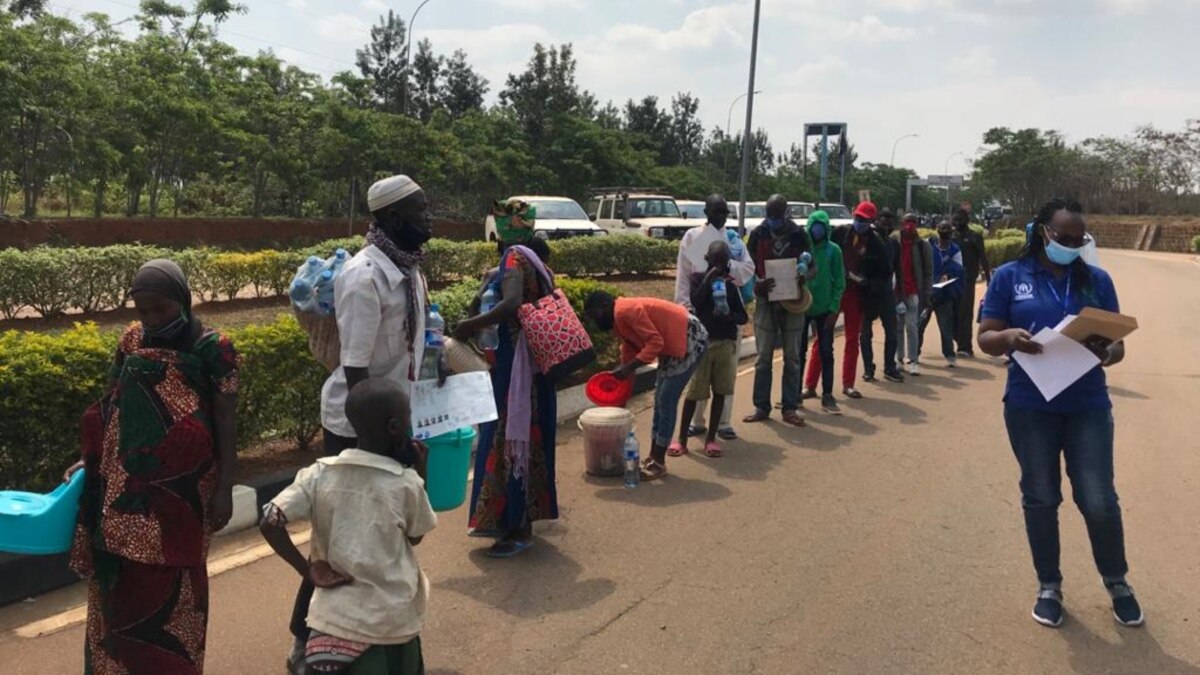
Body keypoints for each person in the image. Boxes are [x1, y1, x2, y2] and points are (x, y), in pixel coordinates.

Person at [66, 259, 239, 675]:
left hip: (183, 492)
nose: (151, 319)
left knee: (175, 582)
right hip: (125, 485)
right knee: (116, 574)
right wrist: (89, 460)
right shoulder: (131, 338)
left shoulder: (215, 347)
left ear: (183, 299)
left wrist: (226, 487)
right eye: (143, 310)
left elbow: (226, 419)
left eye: (160, 309)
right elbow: (114, 402)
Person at [978, 198, 1140, 629]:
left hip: (1087, 404)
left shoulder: (1097, 281)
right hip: (1031, 406)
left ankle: (1117, 582)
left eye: (1077, 239)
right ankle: (1049, 586)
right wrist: (1009, 336)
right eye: (1063, 237)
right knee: (1041, 496)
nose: (1070, 245)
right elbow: (986, 337)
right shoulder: (1011, 278)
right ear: (1042, 232)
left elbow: (1119, 345)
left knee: (1099, 499)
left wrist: (1107, 351)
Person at [299, 175, 437, 664]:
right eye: (420, 212)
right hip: (359, 422)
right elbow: (356, 369)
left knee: (372, 535)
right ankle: (309, 637)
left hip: (391, 419)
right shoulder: (364, 277)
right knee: (341, 539)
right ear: (394, 218)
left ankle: (365, 633)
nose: (429, 219)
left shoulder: (409, 269)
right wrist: (384, 442)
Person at [261, 379, 437, 674]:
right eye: (408, 418)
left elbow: (270, 521)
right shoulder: (405, 483)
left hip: (333, 620)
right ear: (395, 427)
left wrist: (307, 569)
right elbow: (416, 535)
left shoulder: (319, 474)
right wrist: (421, 471)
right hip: (392, 622)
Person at [452, 199, 558, 558]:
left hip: (517, 370)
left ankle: (516, 525)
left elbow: (511, 302)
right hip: (531, 367)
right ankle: (514, 520)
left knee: (511, 439)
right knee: (524, 439)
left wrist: (470, 325)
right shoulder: (534, 261)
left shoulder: (513, 258)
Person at [585, 293, 708, 481]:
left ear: (606, 304)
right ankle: (653, 458)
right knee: (659, 401)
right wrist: (620, 404)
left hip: (689, 337)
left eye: (596, 315)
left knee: (666, 400)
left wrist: (629, 367)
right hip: (673, 342)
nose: (595, 321)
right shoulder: (619, 322)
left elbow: (655, 342)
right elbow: (629, 358)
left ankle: (658, 462)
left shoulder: (624, 311)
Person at [675, 194, 754, 441]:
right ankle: (697, 422)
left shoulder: (734, 242)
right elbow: (683, 276)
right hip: (700, 314)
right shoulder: (691, 237)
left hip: (728, 316)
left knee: (726, 375)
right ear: (706, 212)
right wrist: (685, 308)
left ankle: (724, 422)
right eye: (715, 212)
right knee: (699, 375)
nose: (719, 217)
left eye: (723, 212)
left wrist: (727, 266)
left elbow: (748, 272)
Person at [742, 194, 813, 427]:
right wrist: (756, 283)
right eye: (769, 215)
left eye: (777, 215)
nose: (773, 219)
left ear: (786, 213)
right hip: (765, 301)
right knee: (763, 357)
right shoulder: (758, 235)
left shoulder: (798, 235)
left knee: (792, 357)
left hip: (792, 301)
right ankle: (761, 406)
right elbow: (747, 266)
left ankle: (790, 407)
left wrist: (804, 273)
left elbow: (812, 265)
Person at [803, 201, 880, 401]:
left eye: (864, 219)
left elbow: (883, 272)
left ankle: (848, 385)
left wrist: (865, 281)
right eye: (857, 217)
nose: (859, 222)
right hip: (835, 292)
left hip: (856, 295)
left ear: (871, 221)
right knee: (823, 338)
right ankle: (810, 385)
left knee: (852, 339)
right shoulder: (840, 234)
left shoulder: (875, 243)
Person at [801, 210, 846, 415]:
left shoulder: (833, 250)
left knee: (827, 353)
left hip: (825, 309)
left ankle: (827, 395)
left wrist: (834, 308)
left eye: (821, 226)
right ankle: (793, 395)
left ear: (826, 229)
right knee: (797, 353)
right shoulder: (803, 248)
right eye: (814, 225)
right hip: (802, 307)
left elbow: (840, 281)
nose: (817, 229)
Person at [858, 207, 902, 384]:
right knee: (865, 334)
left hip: (886, 294)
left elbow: (898, 270)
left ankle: (890, 367)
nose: (886, 227)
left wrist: (901, 294)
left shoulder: (894, 245)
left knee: (892, 332)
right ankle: (869, 369)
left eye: (890, 225)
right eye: (883, 223)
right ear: (876, 223)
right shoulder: (867, 241)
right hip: (867, 293)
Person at [892, 213, 934, 376]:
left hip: (913, 291)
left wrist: (928, 293)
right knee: (897, 327)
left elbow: (929, 272)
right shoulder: (895, 243)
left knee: (911, 326)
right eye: (907, 222)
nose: (909, 225)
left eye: (913, 222)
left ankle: (914, 360)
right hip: (896, 291)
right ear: (901, 224)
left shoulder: (923, 246)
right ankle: (899, 359)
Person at [952, 207, 991, 358]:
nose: (957, 223)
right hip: (951, 280)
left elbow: (983, 257)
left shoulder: (974, 237)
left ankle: (965, 347)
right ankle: (957, 338)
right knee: (952, 313)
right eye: (954, 220)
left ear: (967, 221)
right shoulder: (951, 237)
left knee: (965, 313)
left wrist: (989, 278)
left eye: (960, 220)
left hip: (968, 279)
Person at [926, 220, 965, 367]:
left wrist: (947, 275)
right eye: (942, 230)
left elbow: (958, 269)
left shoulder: (955, 250)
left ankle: (949, 355)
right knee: (919, 324)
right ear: (937, 230)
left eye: (948, 230)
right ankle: (914, 354)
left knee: (946, 326)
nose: (945, 233)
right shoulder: (929, 246)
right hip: (927, 293)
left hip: (944, 294)